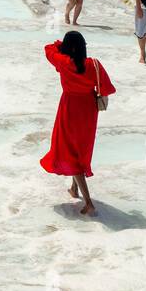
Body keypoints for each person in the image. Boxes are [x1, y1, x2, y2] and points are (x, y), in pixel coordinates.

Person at [40, 32, 115, 216]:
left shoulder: (64, 63)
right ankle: (74, 188)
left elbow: (48, 48)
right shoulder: (93, 64)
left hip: (69, 108)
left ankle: (88, 202)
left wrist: (62, 45)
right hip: (88, 111)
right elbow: (105, 88)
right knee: (79, 149)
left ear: (68, 48)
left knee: (68, 150)